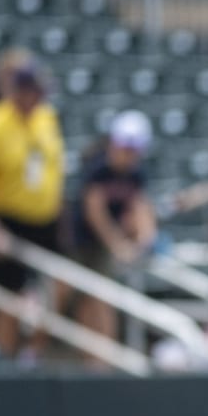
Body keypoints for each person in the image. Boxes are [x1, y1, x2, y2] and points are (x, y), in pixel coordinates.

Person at [0, 60, 65, 360]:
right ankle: (5, 361)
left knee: (59, 285)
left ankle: (33, 352)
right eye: (34, 91)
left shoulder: (47, 118)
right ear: (20, 91)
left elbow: (53, 168)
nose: (38, 98)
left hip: (45, 221)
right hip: (9, 220)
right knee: (8, 296)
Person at [71, 109, 156, 357]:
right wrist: (118, 244)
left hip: (102, 249)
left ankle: (101, 362)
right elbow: (94, 212)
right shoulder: (98, 168)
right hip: (77, 242)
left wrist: (145, 241)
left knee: (101, 299)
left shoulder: (136, 174)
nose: (128, 154)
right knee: (67, 298)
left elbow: (141, 209)